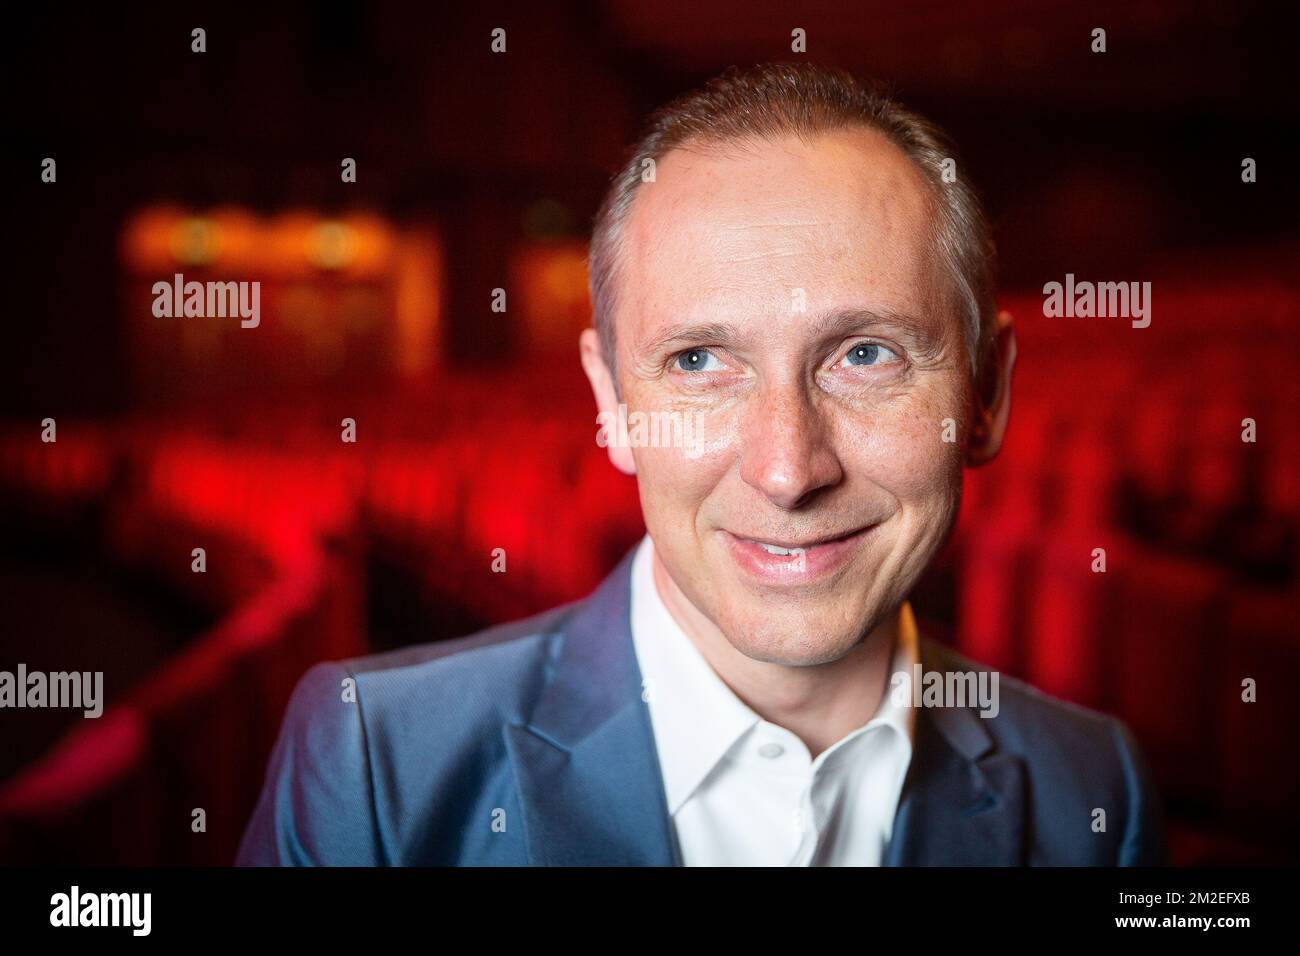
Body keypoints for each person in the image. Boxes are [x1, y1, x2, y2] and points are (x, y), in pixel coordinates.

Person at [236, 62, 1165, 866]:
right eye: (697, 362)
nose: (788, 468)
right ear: (611, 405)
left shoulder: (1094, 790)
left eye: (866, 354)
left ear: (986, 395)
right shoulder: (374, 765)